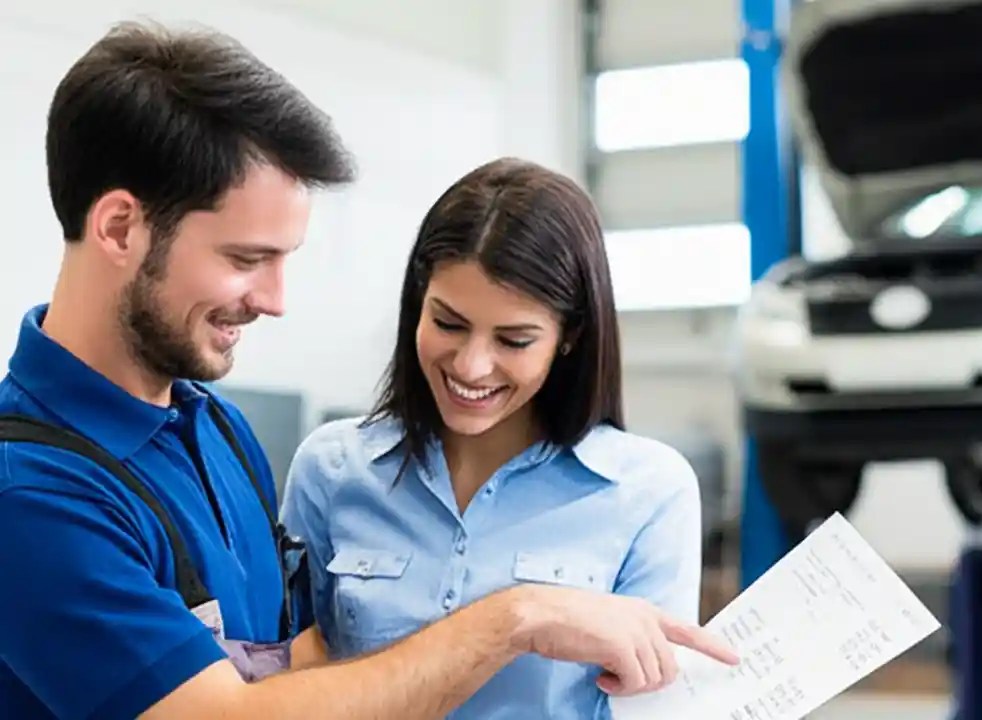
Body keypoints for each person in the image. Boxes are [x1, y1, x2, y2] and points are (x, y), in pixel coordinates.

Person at [0, 20, 736, 720]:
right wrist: (518, 615)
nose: (275, 301)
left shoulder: (218, 433)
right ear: (121, 227)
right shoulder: (27, 491)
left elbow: (296, 665)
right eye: (246, 259)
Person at [280, 157, 705, 719]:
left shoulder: (649, 491)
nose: (473, 367)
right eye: (449, 324)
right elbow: (280, 680)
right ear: (418, 302)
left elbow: (660, 708)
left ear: (569, 336)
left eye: (514, 340)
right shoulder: (331, 470)